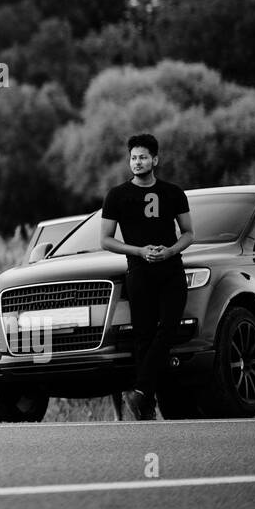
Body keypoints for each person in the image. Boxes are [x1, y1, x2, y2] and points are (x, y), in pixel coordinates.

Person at [99, 133, 194, 420]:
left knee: (168, 329)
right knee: (143, 335)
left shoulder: (173, 192)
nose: (137, 162)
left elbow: (189, 233)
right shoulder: (117, 195)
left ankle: (141, 392)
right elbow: (105, 240)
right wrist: (139, 251)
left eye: (142, 157)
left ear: (155, 159)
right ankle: (145, 403)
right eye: (133, 158)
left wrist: (170, 251)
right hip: (139, 271)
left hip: (171, 269)